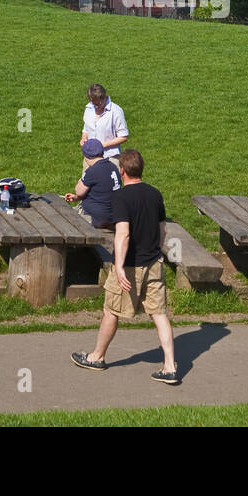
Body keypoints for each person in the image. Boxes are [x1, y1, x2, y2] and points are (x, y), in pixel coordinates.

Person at [71, 149, 178, 384]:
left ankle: (97, 357)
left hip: (130, 264)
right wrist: (157, 253)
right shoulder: (155, 194)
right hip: (154, 263)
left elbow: (123, 235)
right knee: (159, 314)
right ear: (141, 169)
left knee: (111, 310)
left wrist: (118, 266)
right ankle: (170, 366)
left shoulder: (121, 197)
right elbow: (163, 229)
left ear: (121, 171)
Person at [64, 139, 121, 227]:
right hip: (113, 215)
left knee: (64, 218)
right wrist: (76, 198)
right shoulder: (113, 167)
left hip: (95, 218)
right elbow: (102, 192)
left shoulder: (93, 170)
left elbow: (78, 191)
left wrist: (80, 184)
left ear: (86, 156)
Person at [80, 83, 128, 173]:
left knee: (110, 186)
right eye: (94, 103)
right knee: (86, 185)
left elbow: (123, 136)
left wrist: (102, 145)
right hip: (90, 157)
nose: (96, 107)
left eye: (99, 104)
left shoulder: (116, 111)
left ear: (104, 97)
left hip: (110, 157)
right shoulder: (89, 108)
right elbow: (86, 128)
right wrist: (84, 138)